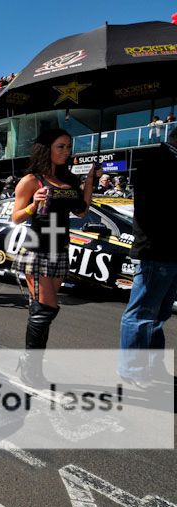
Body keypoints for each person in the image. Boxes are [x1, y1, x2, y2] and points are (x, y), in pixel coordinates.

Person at [10, 129, 95, 387]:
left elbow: (81, 212)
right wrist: (32, 206)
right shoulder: (30, 181)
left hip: (60, 248)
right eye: (60, 146)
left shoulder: (69, 180)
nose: (66, 151)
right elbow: (15, 217)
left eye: (68, 146)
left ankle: (30, 364)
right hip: (37, 248)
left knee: (41, 309)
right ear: (46, 148)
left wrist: (89, 181)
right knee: (46, 308)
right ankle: (29, 366)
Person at [118, 127, 177, 387]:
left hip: (169, 251)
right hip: (155, 250)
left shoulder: (167, 161)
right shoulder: (157, 161)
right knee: (142, 313)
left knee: (158, 315)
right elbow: (153, 209)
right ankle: (133, 370)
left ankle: (153, 368)